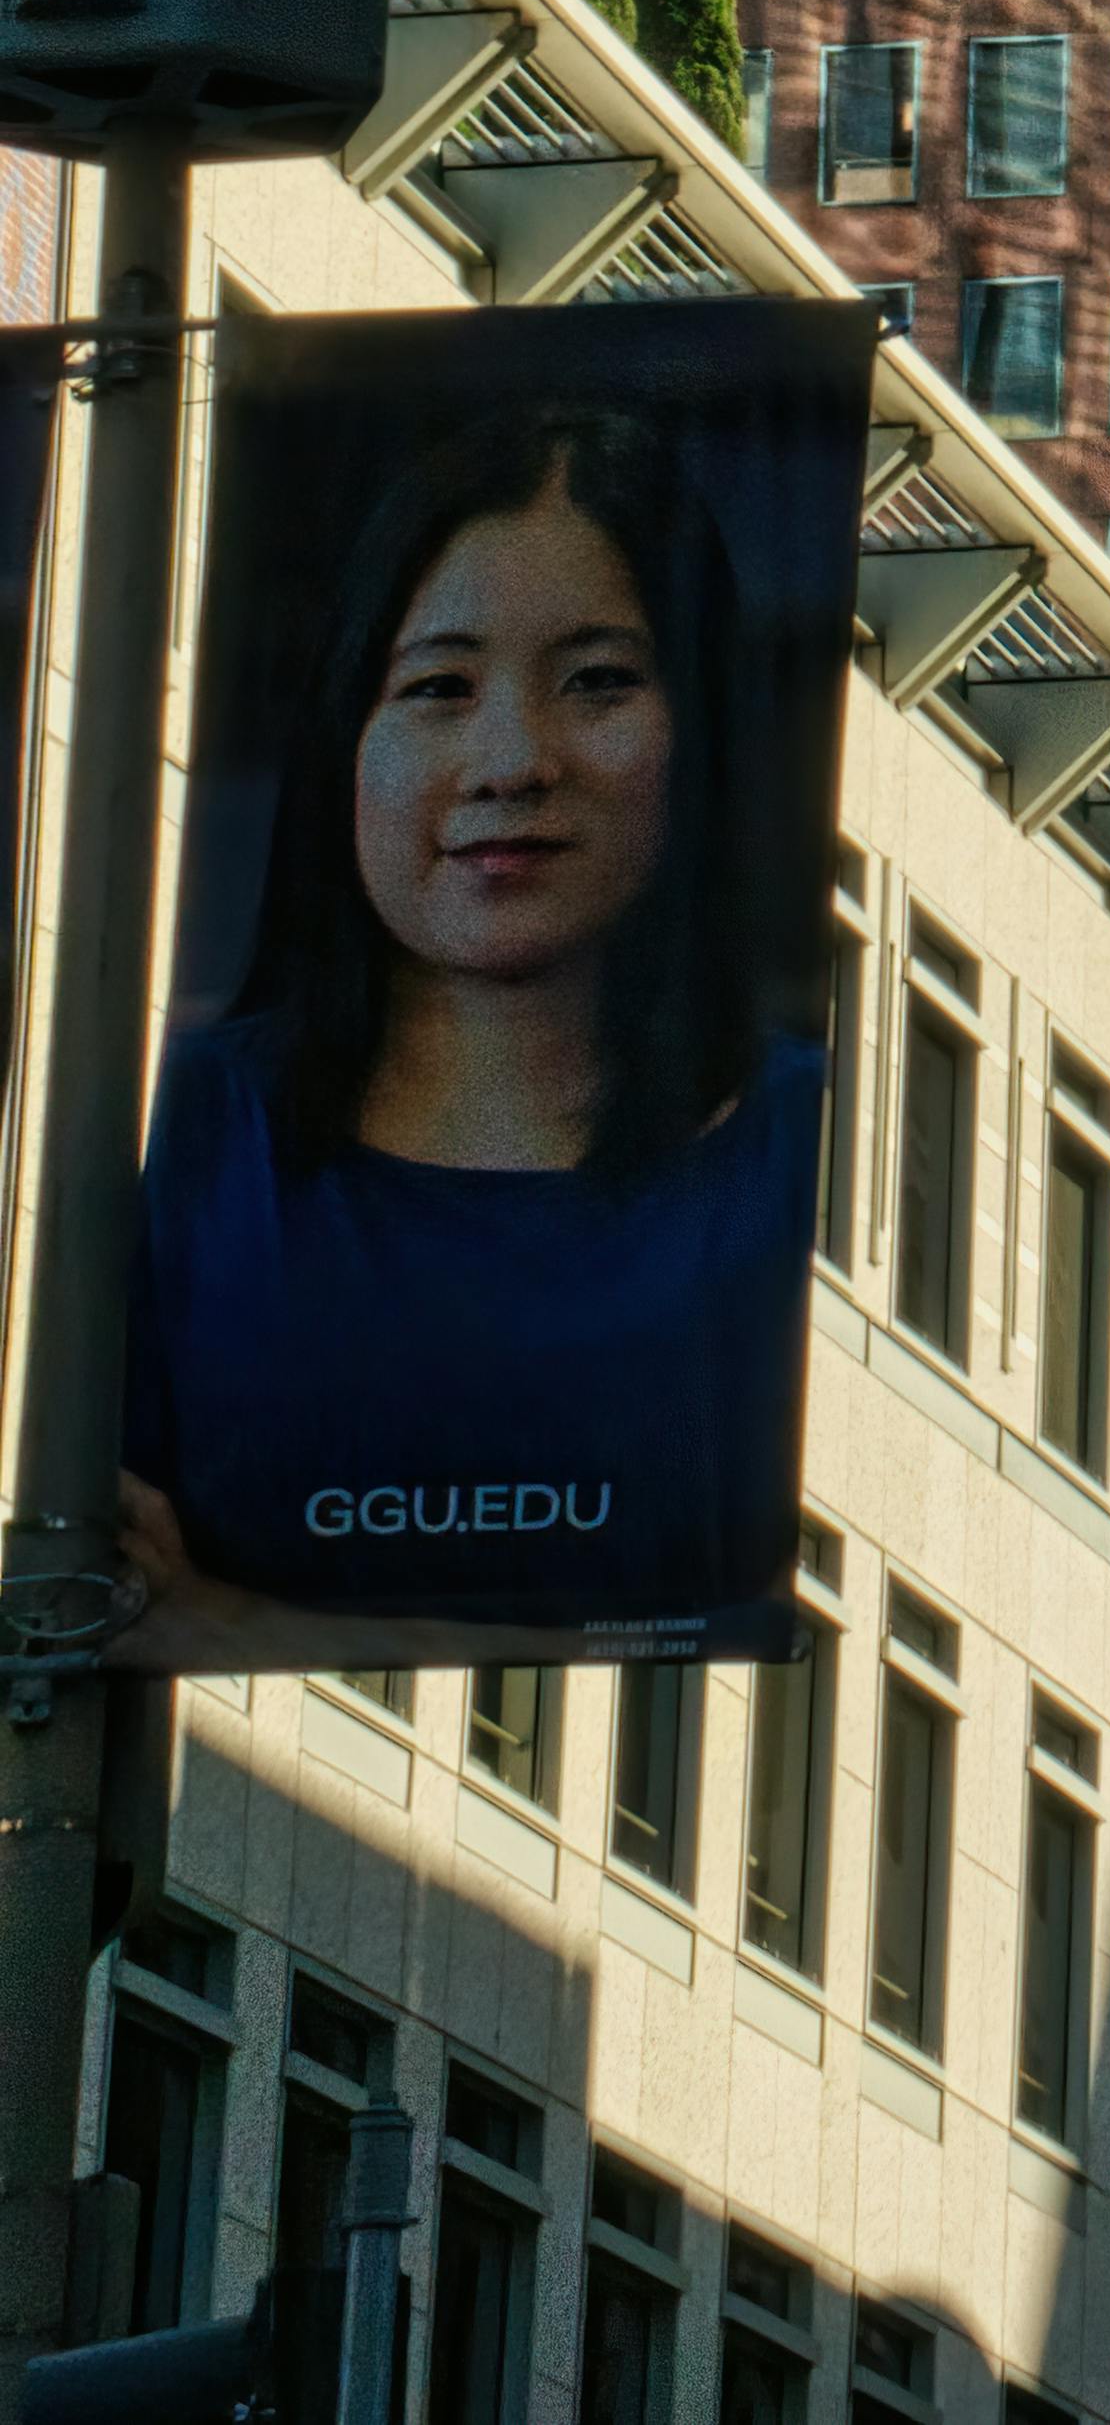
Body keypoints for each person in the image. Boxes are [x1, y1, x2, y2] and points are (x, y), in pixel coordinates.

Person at [119, 403, 825, 1669]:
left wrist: (238, 1618)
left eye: (598, 680)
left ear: (701, 721)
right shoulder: (183, 1132)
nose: (510, 761)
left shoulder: (799, 1152)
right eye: (439, 686)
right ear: (350, 731)